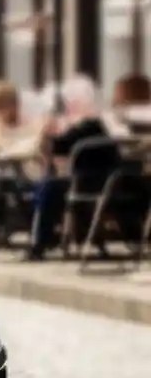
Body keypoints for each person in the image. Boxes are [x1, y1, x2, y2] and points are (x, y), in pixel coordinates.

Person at [27, 76, 113, 260]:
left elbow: (53, 148)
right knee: (45, 187)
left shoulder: (85, 126)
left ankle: (39, 243)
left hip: (89, 183)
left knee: (46, 187)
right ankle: (49, 239)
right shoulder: (99, 125)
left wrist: (44, 130)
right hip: (104, 183)